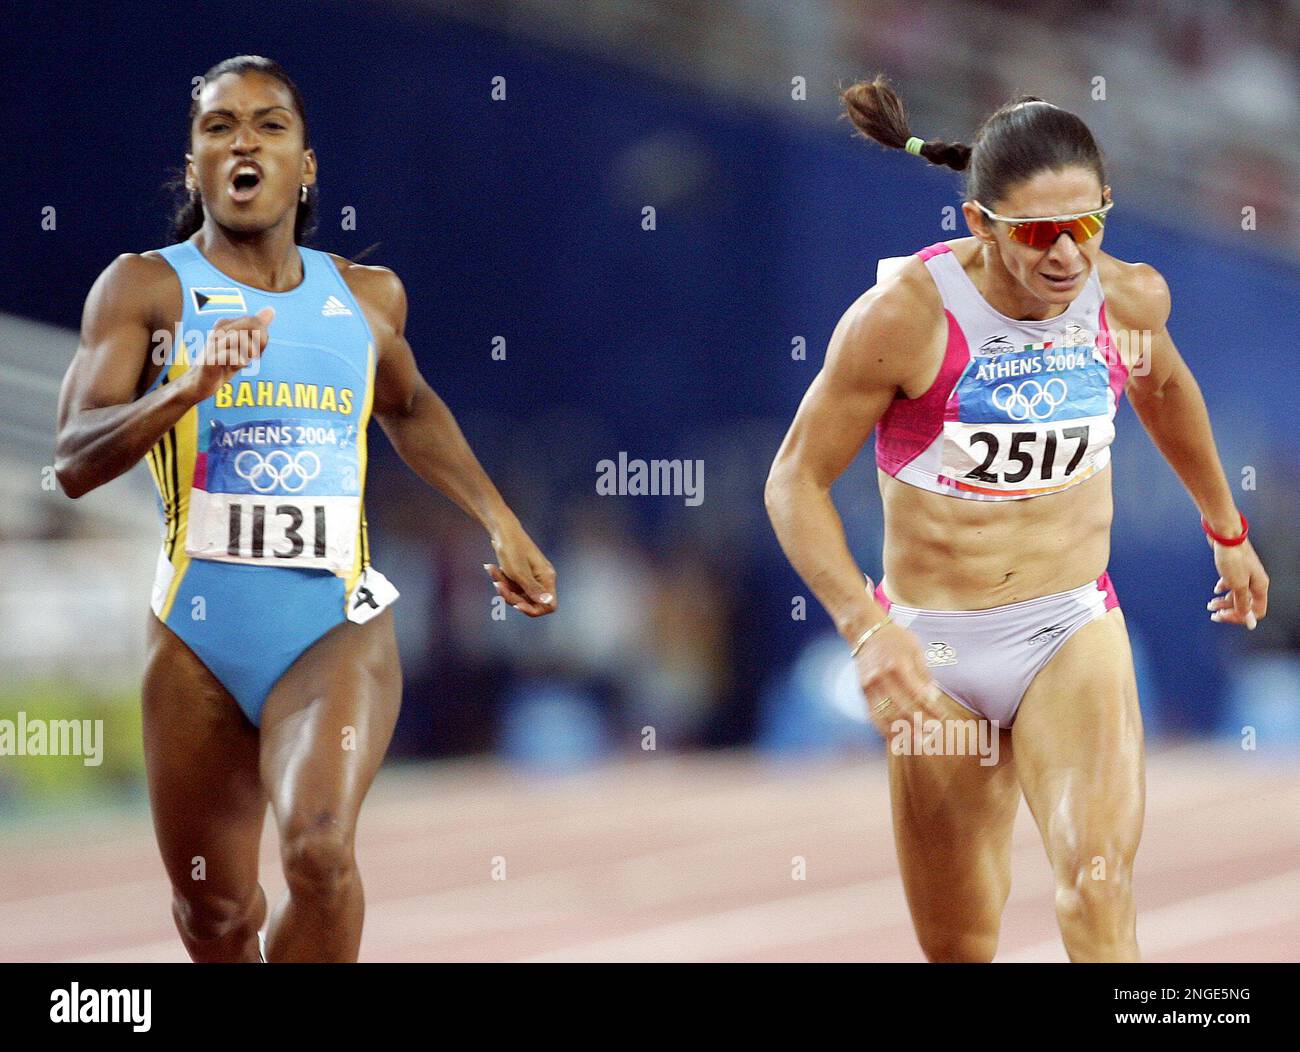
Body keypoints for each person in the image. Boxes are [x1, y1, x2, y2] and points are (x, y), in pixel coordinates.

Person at [53, 55, 557, 962]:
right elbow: (72, 460)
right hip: (195, 635)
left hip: (333, 624)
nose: (243, 140)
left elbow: (409, 406)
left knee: (319, 852)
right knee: (215, 914)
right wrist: (183, 389)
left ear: (306, 164)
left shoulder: (366, 297)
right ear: (195, 162)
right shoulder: (144, 289)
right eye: (219, 127)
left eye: (269, 124)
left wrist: (498, 518)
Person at [764, 75, 1269, 962]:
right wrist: (865, 627)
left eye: (1088, 224)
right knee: (960, 942)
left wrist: (1225, 528)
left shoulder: (1127, 300)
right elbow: (793, 482)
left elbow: (1167, 391)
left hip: (1067, 621)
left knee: (1098, 881)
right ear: (980, 225)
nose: (1068, 254)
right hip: (937, 648)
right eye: (1039, 232)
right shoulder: (903, 319)